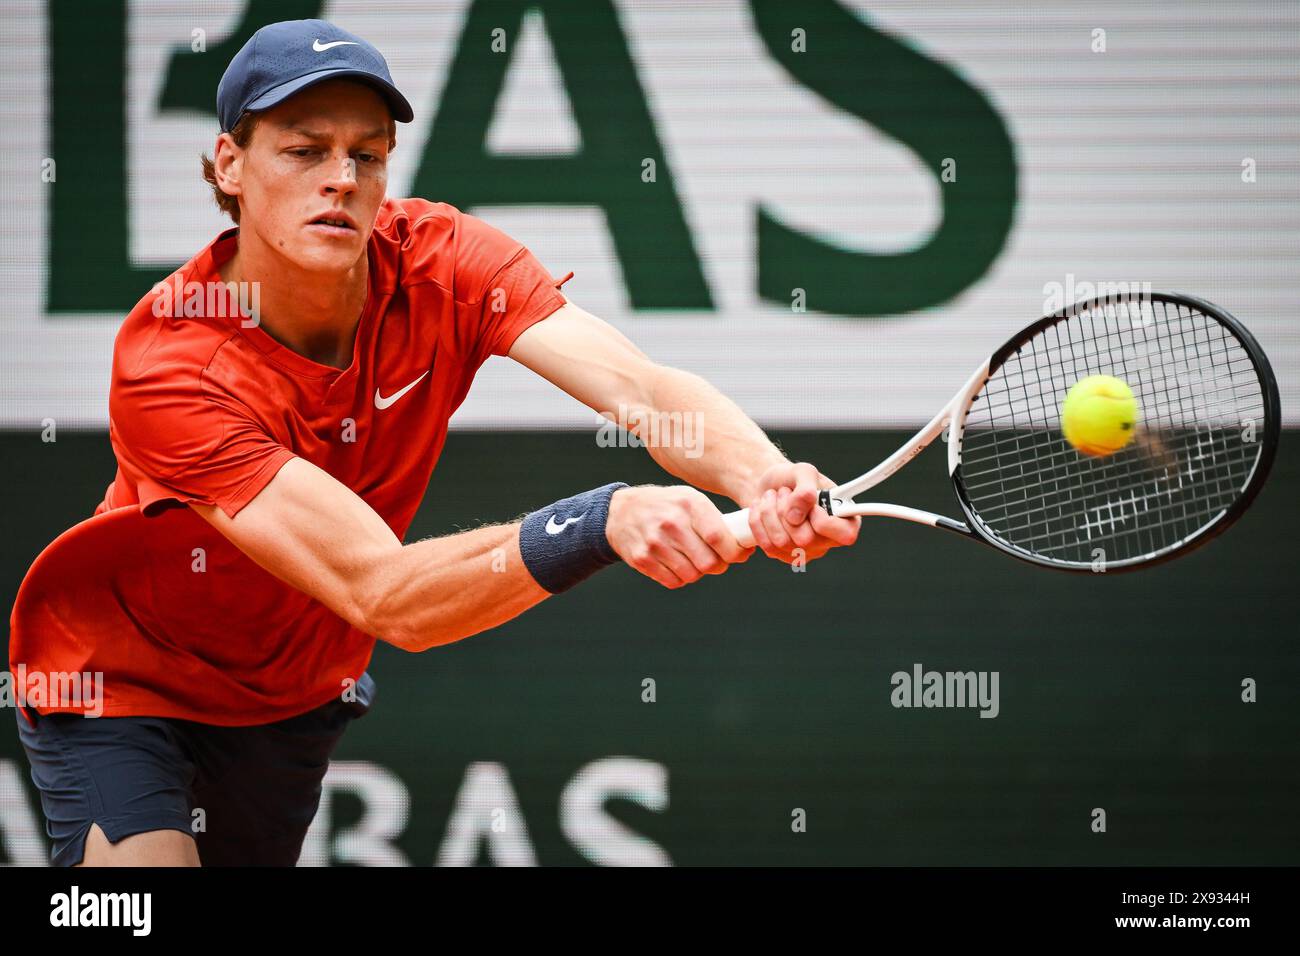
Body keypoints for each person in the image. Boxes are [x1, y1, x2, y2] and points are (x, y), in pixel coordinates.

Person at [8, 18, 859, 867]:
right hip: (122, 681)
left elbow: (642, 391)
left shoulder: (447, 262)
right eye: (304, 151)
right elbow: (387, 597)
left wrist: (766, 478)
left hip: (295, 697)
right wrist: (604, 519)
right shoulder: (174, 365)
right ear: (231, 164)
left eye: (367, 155)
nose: (341, 180)